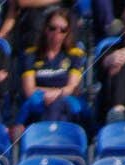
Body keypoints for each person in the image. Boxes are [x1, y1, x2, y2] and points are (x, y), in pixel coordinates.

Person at [12, 7, 83, 140]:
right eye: (52, 28)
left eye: (63, 30)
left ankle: (45, 140)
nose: (57, 33)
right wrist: (50, 93)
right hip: (39, 98)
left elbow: (72, 87)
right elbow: (29, 90)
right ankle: (54, 142)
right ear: (45, 29)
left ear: (67, 33)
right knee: (54, 110)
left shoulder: (74, 54)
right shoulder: (31, 54)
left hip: (65, 98)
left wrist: (55, 94)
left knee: (58, 105)